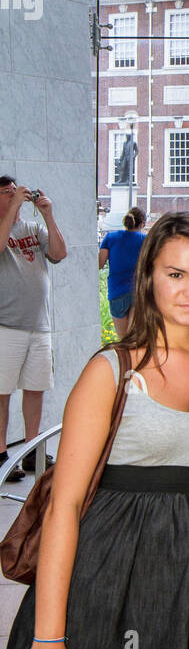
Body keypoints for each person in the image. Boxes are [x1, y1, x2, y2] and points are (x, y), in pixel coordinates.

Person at [0, 213, 189, 649]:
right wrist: (48, 640)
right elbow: (64, 511)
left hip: (182, 593)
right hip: (93, 592)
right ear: (149, 276)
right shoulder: (111, 369)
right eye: (176, 274)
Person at [0, 176, 67, 481]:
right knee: (2, 392)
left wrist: (48, 214)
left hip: (39, 325)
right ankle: (1, 455)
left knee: (35, 389)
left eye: (16, 191)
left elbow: (59, 253)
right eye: (6, 192)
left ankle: (32, 451)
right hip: (6, 325)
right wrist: (13, 207)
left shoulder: (32, 228)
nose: (15, 195)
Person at [98, 206, 146, 338]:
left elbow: (99, 264)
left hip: (117, 292)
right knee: (135, 339)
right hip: (139, 291)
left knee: (123, 340)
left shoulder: (111, 238)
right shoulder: (146, 239)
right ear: (142, 223)